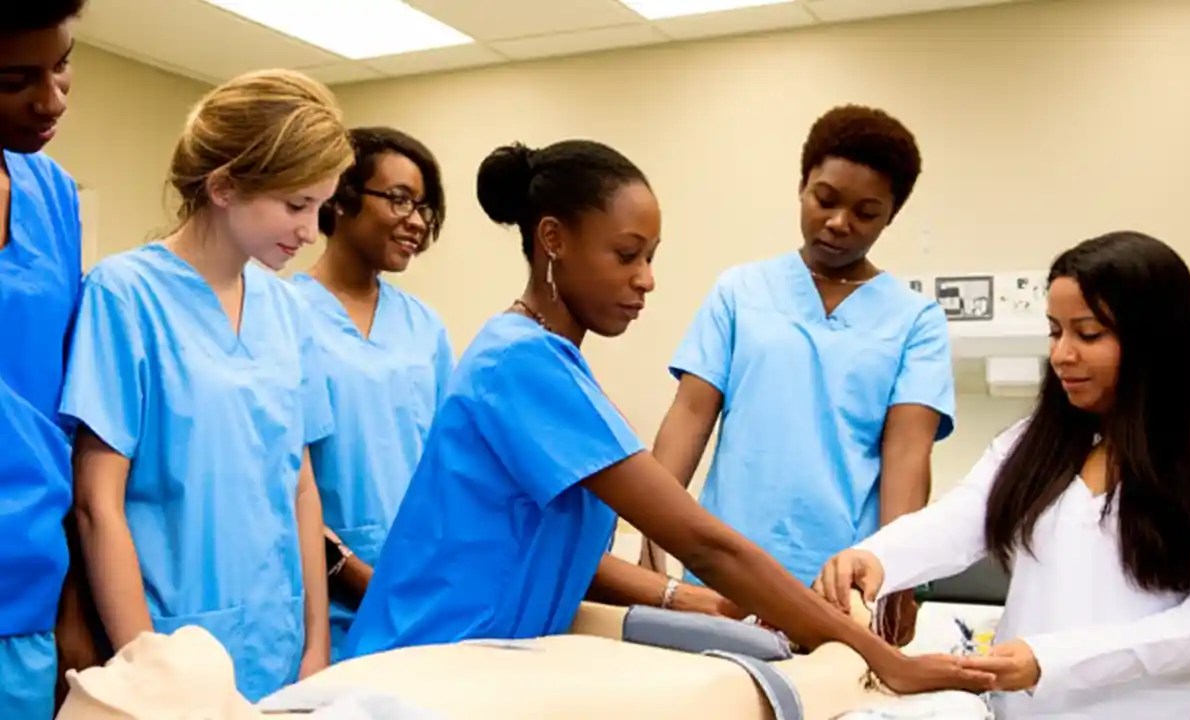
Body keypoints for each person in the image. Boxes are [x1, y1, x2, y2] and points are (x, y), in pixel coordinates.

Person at [342, 138, 994, 696]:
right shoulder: (521, 365)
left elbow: (540, 543)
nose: (648, 279)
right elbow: (704, 542)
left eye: (652, 256)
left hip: (467, 664)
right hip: (416, 672)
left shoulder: (545, 359)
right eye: (627, 255)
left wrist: (693, 601)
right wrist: (888, 662)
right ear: (553, 240)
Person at [814, 231, 1190, 718]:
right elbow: (960, 521)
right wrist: (876, 558)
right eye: (1055, 331)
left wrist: (1050, 660)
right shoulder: (1034, 444)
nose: (1061, 354)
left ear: (1155, 340)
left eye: (1088, 334)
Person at [59, 69, 354, 702]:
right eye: (296, 205)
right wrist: (147, 667)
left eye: (320, 206)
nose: (310, 230)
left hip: (278, 643)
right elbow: (96, 505)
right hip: (170, 642)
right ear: (224, 186)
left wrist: (316, 647)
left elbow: (301, 487)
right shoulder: (126, 294)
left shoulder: (287, 310)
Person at [641, 104, 955, 644]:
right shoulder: (740, 292)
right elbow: (690, 416)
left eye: (866, 212)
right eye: (825, 200)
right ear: (802, 186)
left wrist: (899, 577)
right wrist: (651, 534)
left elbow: (907, 454)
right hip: (723, 574)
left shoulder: (914, 320)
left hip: (840, 584)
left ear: (890, 217)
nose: (839, 223)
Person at [292, 126, 454, 659]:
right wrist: (353, 573)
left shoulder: (423, 327)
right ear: (340, 197)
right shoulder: (282, 313)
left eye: (424, 208)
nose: (416, 221)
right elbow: (277, 473)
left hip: (418, 596)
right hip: (316, 599)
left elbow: (447, 464)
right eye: (400, 199)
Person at [0, 2, 85, 716]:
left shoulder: (50, 194)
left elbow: (62, 410)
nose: (50, 98)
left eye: (60, 66)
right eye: (13, 78)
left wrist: (74, 606)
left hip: (25, 580)